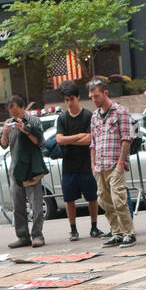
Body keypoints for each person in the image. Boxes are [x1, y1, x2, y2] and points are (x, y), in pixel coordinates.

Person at [88, 77, 137, 247]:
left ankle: (128, 232)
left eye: (96, 96)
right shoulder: (94, 116)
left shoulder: (120, 111)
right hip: (100, 165)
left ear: (105, 93)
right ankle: (116, 232)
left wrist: (121, 162)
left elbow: (126, 138)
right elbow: (93, 143)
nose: (94, 100)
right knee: (105, 201)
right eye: (92, 96)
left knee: (119, 200)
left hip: (115, 162)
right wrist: (93, 165)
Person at [53, 81, 102, 241]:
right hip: (69, 165)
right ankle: (73, 229)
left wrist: (68, 140)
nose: (69, 103)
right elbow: (59, 139)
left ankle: (94, 227)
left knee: (92, 198)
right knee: (69, 199)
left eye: (71, 99)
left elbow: (89, 139)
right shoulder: (62, 118)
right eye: (66, 100)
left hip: (87, 163)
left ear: (78, 97)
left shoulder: (88, 115)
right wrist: (76, 137)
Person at [0, 95, 47, 249]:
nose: (14, 116)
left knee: (36, 203)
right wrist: (6, 132)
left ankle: (37, 235)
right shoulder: (8, 123)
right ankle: (22, 236)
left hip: (31, 168)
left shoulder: (33, 121)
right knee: (18, 204)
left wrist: (25, 130)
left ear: (22, 107)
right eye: (11, 113)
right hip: (15, 169)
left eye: (16, 112)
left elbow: (40, 142)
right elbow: (3, 145)